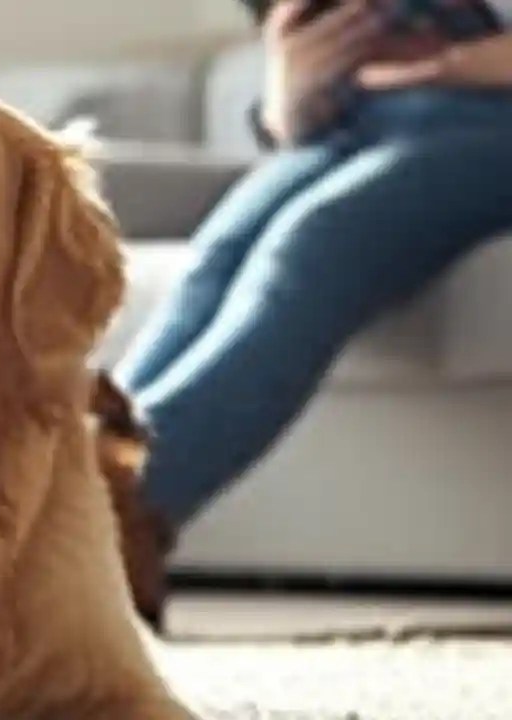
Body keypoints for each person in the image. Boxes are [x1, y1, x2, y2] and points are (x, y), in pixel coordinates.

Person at [114, 0, 512, 624]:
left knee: (313, 240)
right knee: (215, 258)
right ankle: (81, 468)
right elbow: (289, 116)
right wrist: (291, 95)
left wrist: (458, 62)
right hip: (360, 119)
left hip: (493, 123)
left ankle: (110, 511)